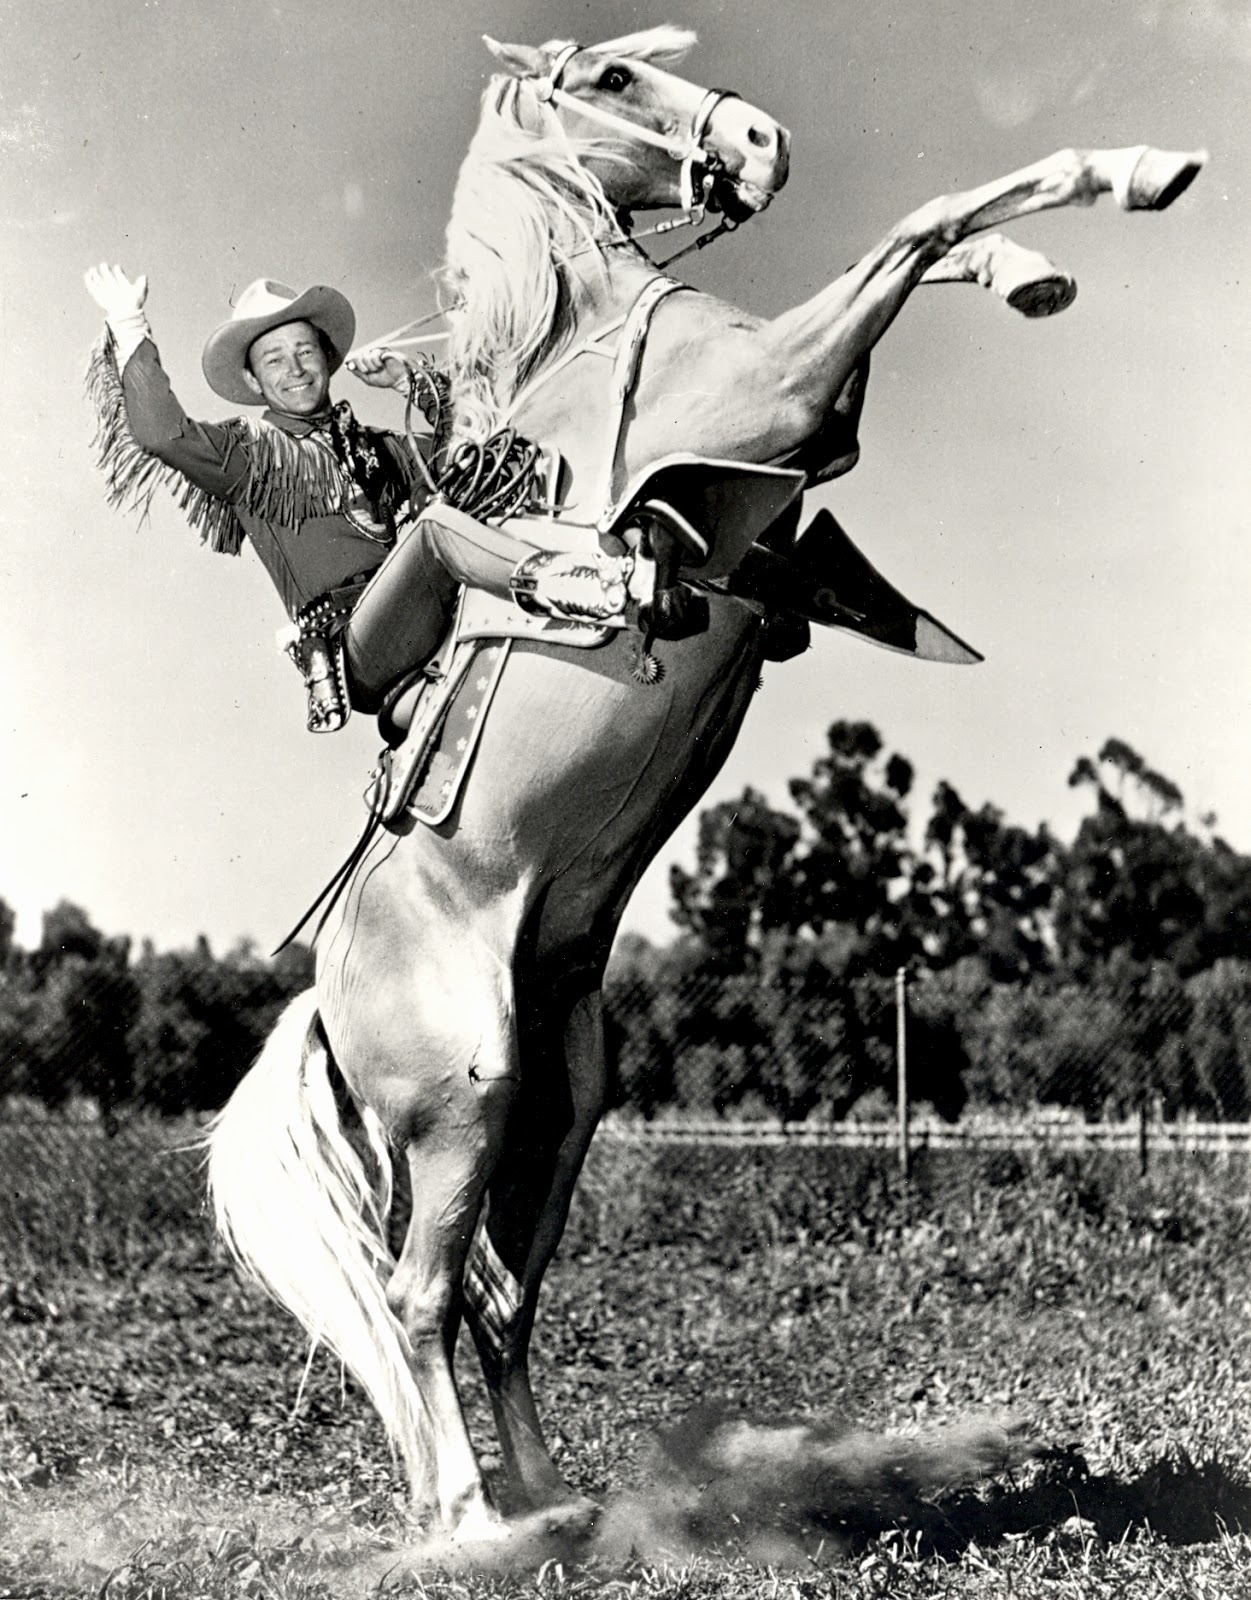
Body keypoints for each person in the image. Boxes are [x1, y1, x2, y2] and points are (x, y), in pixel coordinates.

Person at [84, 265, 640, 730]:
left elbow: (472, 455)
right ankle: (570, 582)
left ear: (327, 360)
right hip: (357, 648)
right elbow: (162, 434)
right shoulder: (246, 457)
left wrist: (410, 383)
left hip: (431, 614)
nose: (295, 369)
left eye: (305, 351)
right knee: (437, 531)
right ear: (254, 384)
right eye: (274, 360)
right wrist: (129, 325)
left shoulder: (376, 449)